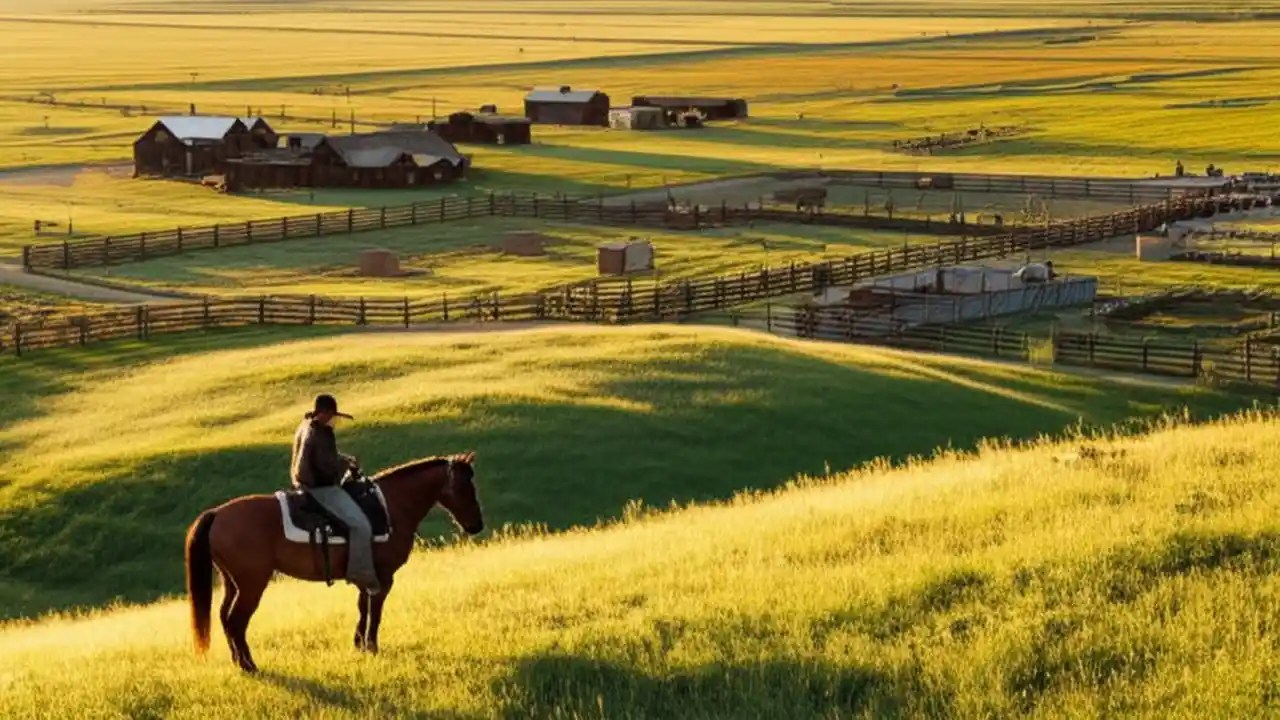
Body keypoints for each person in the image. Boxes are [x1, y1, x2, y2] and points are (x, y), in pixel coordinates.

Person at [290, 394, 380, 595]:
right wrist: (346, 466)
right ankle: (360, 572)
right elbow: (325, 466)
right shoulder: (321, 432)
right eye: (331, 415)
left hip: (303, 484)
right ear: (324, 413)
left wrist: (344, 460)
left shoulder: (305, 425)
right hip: (320, 489)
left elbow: (322, 457)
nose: (333, 420)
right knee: (361, 525)